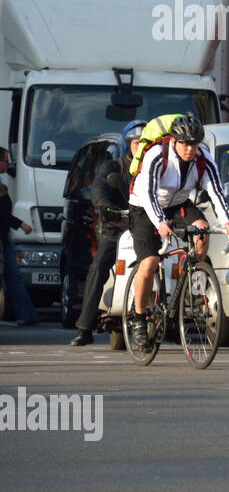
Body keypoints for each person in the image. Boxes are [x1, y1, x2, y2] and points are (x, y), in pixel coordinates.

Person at [126, 112, 229, 352]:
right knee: (151, 261)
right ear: (174, 141)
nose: (190, 148)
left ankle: (191, 279)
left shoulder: (203, 158)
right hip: (144, 207)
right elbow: (147, 192)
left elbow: (216, 192)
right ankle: (138, 318)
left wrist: (228, 221)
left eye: (194, 143)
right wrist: (159, 223)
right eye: (185, 143)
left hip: (178, 203)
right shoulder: (157, 155)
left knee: (203, 230)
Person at [71, 122, 143, 346]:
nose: (140, 147)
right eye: (136, 142)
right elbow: (98, 190)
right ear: (128, 144)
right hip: (117, 229)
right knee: (98, 266)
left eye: (145, 143)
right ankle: (85, 328)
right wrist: (105, 207)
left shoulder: (154, 169)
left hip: (146, 226)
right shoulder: (111, 168)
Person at [0, 147, 39, 326]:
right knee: (11, 275)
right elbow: (2, 213)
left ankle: (27, 313)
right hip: (2, 238)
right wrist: (21, 224)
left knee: (13, 275)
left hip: (4, 238)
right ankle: (26, 313)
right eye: (6, 161)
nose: (8, 165)